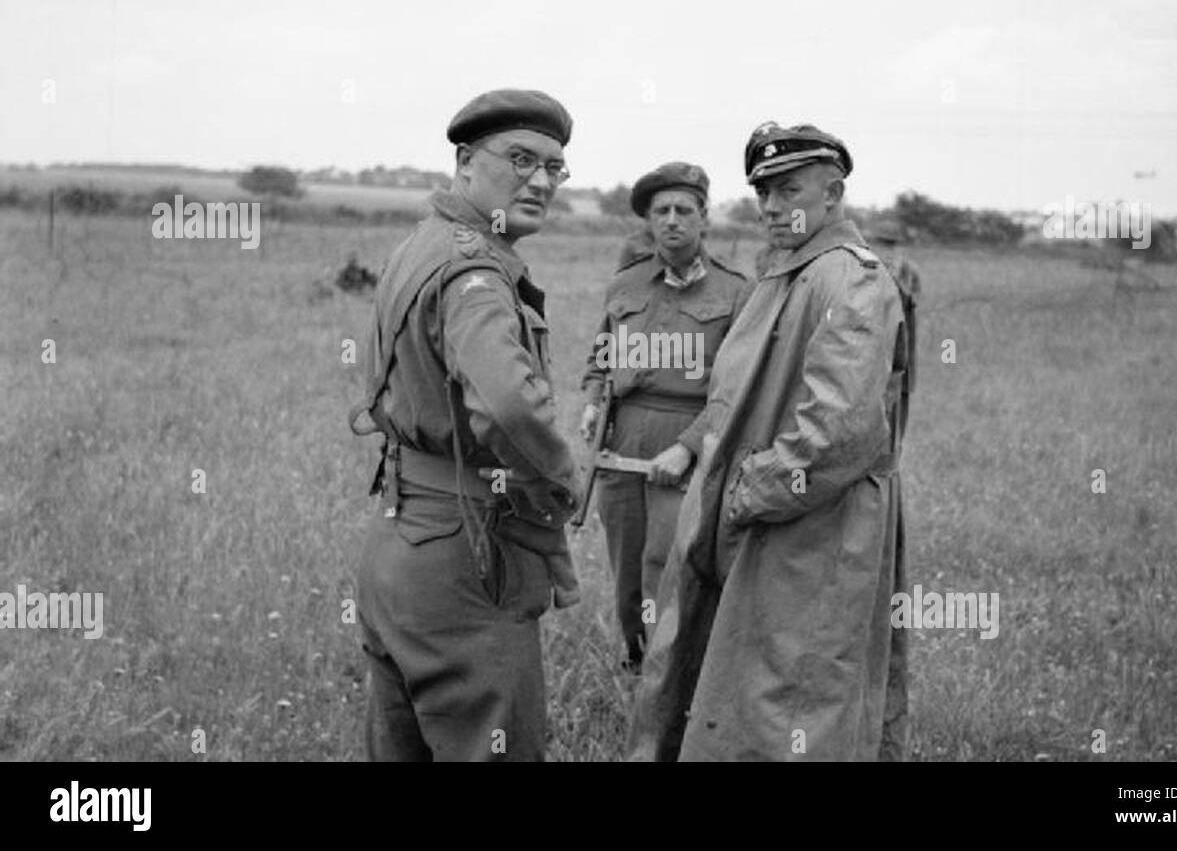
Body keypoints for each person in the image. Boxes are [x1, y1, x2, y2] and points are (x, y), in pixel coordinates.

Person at [628, 122, 915, 761]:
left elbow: (834, 435)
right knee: (733, 689)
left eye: (789, 190)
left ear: (834, 193)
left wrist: (742, 495)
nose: (774, 206)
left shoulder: (851, 280)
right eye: (763, 193)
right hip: (762, 524)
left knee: (794, 701)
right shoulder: (787, 272)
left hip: (811, 531)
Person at [348, 88, 581, 761]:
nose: (540, 180)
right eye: (521, 158)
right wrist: (560, 485)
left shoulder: (422, 244)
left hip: (400, 540)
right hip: (467, 556)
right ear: (466, 160)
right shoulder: (473, 267)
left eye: (554, 167)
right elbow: (507, 404)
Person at [579, 162, 752, 673]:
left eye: (684, 210)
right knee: (626, 565)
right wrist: (593, 399)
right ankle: (633, 667)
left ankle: (670, 678)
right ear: (649, 223)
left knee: (667, 565)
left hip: (688, 440)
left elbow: (738, 388)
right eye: (661, 212)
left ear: (705, 219)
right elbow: (600, 356)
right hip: (622, 439)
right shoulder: (626, 284)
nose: (672, 220)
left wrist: (688, 447)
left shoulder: (738, 292)